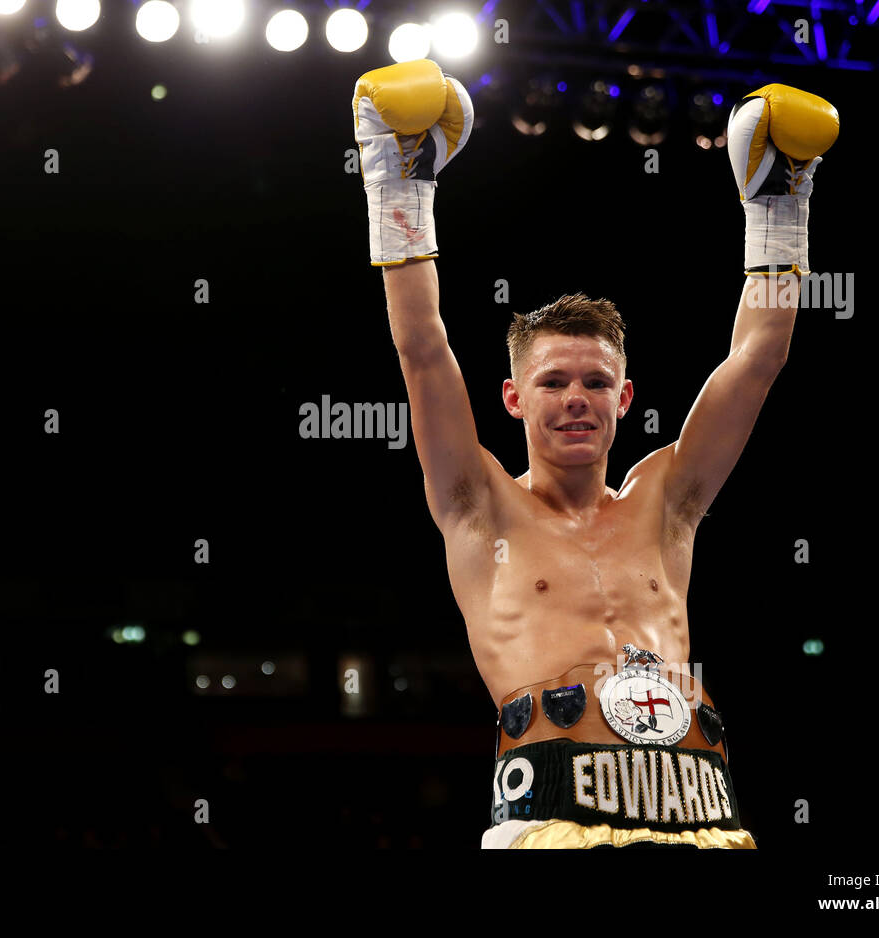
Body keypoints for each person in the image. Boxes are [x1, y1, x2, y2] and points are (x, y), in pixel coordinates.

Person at [351, 59, 838, 848]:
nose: (575, 397)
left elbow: (759, 357)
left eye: (594, 381)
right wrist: (397, 188)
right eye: (552, 382)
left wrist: (781, 205)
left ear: (624, 398)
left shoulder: (666, 501)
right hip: (554, 817)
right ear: (514, 400)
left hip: (700, 815)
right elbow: (422, 349)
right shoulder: (479, 506)